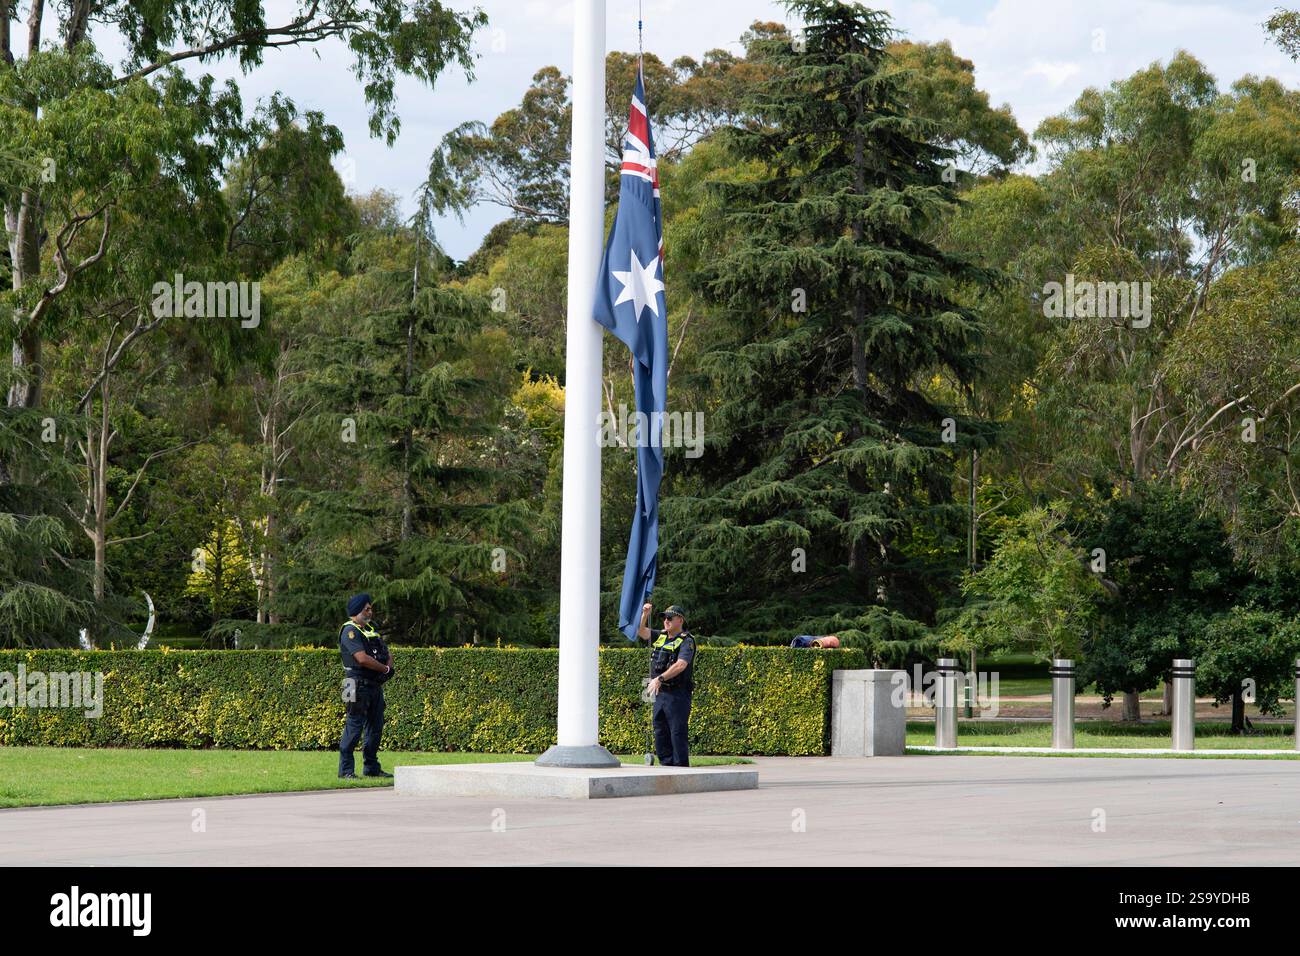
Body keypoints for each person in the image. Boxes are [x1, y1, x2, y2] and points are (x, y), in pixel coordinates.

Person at [337, 593, 393, 779]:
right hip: (352, 683)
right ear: (356, 611)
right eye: (366, 609)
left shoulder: (370, 630)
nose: (370, 612)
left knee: (375, 727)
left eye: (370, 608)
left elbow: (386, 652)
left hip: (374, 684)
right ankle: (346, 771)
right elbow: (361, 658)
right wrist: (385, 669)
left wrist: (388, 667)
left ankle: (371, 767)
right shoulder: (349, 631)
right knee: (353, 726)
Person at [637, 602, 696, 766]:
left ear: (680, 620)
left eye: (670, 618)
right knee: (660, 730)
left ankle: (681, 770)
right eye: (664, 617)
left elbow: (681, 665)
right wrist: (644, 616)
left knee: (677, 732)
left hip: (677, 694)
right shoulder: (661, 636)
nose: (666, 620)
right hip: (660, 693)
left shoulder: (687, 641)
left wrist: (659, 679)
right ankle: (666, 767)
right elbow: (641, 632)